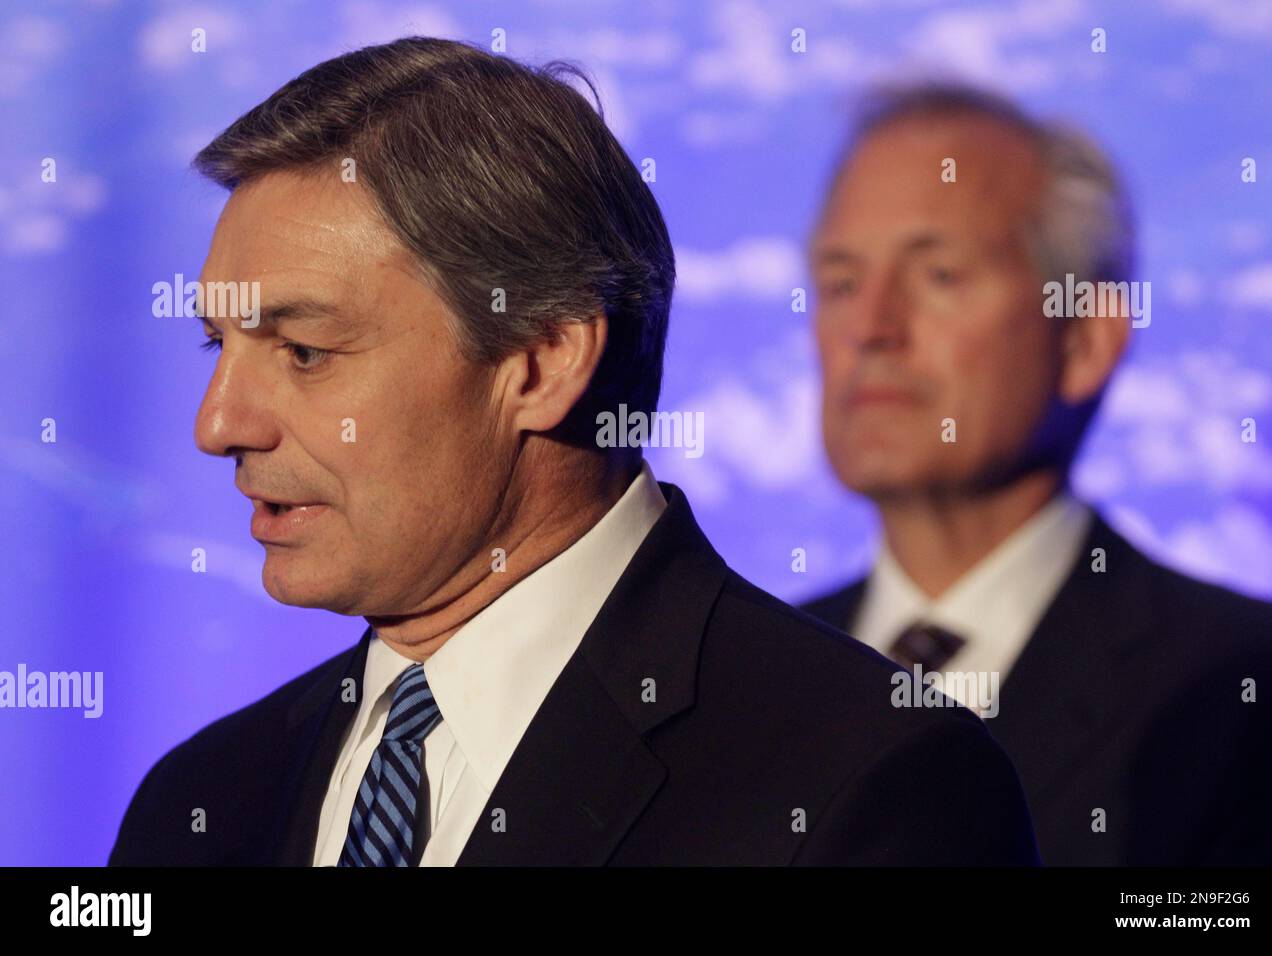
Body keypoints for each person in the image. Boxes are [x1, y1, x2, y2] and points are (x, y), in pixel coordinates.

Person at [108, 40, 1038, 866]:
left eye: (304, 351)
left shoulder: (868, 782)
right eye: (216, 347)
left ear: (541, 360)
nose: (218, 423)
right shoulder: (199, 803)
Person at [801, 81, 1272, 865]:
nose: (870, 329)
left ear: (1084, 341)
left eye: (939, 276)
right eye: (840, 284)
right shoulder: (746, 680)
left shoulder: (1256, 696)